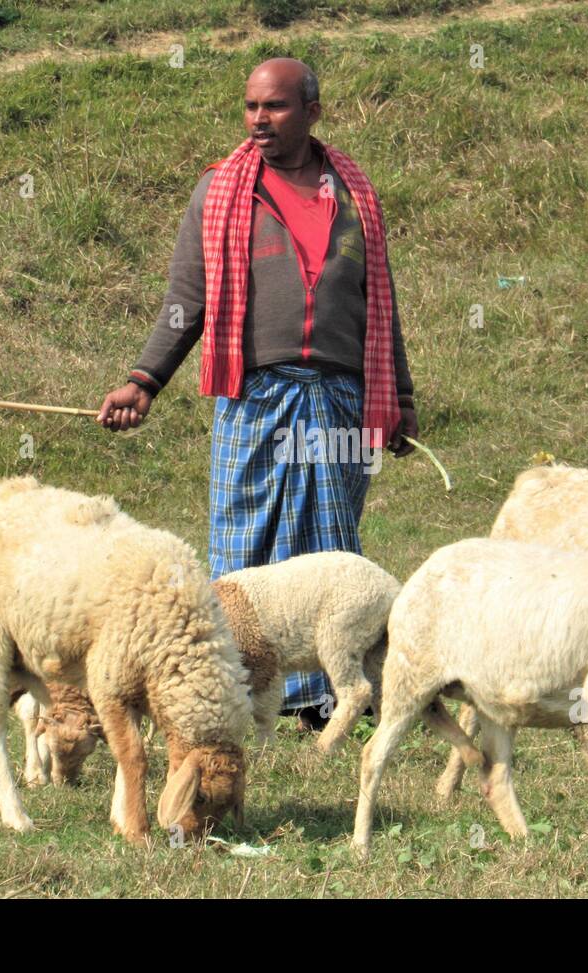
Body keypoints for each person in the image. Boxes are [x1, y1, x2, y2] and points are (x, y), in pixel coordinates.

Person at [98, 57, 418, 730]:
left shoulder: (354, 193)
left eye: (273, 107)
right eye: (250, 107)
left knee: (330, 552)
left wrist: (401, 399)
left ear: (312, 111)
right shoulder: (220, 191)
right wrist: (143, 380)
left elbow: (379, 307)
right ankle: (236, 689)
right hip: (253, 396)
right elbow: (187, 304)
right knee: (244, 544)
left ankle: (332, 695)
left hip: (340, 399)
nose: (258, 120)